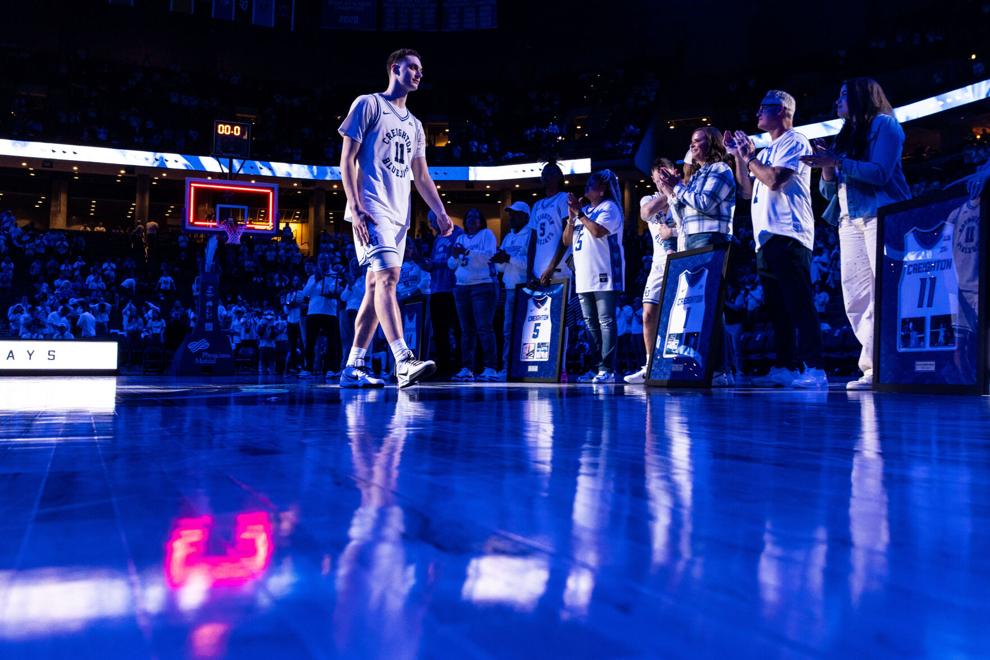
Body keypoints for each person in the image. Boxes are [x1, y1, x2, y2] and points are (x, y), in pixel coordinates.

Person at [338, 48, 453, 389]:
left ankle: (353, 367)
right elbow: (346, 160)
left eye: (421, 69)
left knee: (375, 287)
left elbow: (421, 174)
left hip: (399, 215)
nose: (419, 74)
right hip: (371, 209)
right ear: (394, 68)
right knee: (387, 280)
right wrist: (355, 206)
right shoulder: (368, 104)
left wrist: (440, 210)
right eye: (413, 67)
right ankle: (403, 359)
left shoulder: (416, 125)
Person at [801, 78, 911, 390]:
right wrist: (826, 167)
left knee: (884, 291)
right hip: (848, 220)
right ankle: (874, 368)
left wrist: (837, 161)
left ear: (863, 97)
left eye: (844, 94)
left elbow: (879, 173)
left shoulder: (886, 125)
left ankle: (892, 364)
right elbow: (827, 191)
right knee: (856, 296)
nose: (837, 100)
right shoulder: (845, 134)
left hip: (881, 214)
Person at [725, 90, 827, 388]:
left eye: (763, 108)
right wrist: (738, 158)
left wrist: (749, 156)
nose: (757, 113)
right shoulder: (766, 149)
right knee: (778, 308)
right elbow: (746, 190)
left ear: (782, 111)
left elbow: (773, 180)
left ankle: (814, 365)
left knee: (799, 303)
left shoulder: (794, 140)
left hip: (788, 232)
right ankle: (786, 364)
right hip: (766, 237)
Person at [657, 127, 735, 385]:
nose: (693, 145)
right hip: (690, 241)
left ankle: (722, 370)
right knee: (696, 308)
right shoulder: (698, 175)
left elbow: (704, 204)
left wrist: (678, 186)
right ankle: (702, 367)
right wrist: (670, 192)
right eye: (691, 141)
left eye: (698, 140)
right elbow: (681, 215)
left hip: (711, 239)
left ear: (712, 144)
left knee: (711, 307)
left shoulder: (721, 170)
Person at [565, 169, 626, 383]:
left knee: (606, 321)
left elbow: (599, 232)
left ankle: (607, 369)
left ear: (601, 190)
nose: (586, 188)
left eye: (591, 185)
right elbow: (566, 241)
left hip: (604, 271)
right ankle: (596, 368)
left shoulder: (610, 208)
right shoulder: (585, 210)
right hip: (583, 276)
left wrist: (580, 214)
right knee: (590, 324)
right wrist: (572, 219)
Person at [625, 157, 678, 384]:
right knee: (648, 314)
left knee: (678, 316)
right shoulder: (650, 197)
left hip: (681, 259)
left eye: (664, 177)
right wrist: (669, 191)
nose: (660, 182)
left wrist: (676, 190)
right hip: (658, 263)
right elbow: (646, 212)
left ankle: (684, 364)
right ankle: (649, 364)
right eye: (657, 179)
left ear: (673, 172)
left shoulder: (685, 193)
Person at [449, 208, 499, 382]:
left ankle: (490, 368)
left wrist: (467, 252)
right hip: (461, 287)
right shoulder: (460, 238)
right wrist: (454, 256)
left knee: (484, 328)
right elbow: (451, 264)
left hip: (482, 286)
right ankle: (467, 368)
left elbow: (490, 255)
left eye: (476, 217)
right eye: (469, 217)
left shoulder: (487, 234)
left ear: (481, 220)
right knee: (466, 330)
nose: (472, 219)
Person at [491, 201, 536, 377]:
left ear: (525, 216)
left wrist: (508, 258)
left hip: (524, 288)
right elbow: (502, 269)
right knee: (508, 330)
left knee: (524, 331)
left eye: (516, 214)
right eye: (511, 214)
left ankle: (523, 367)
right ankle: (506, 368)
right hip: (509, 287)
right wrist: (500, 260)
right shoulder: (508, 237)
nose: (512, 217)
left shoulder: (530, 235)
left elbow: (529, 265)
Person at [424, 210, 463, 378]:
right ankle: (444, 367)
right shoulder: (438, 238)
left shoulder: (458, 233)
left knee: (456, 330)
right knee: (439, 332)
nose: (432, 226)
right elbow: (434, 262)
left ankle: (460, 366)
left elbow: (454, 260)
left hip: (453, 288)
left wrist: (436, 263)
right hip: (437, 289)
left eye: (434, 222)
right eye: (430, 223)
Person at [300, 252, 343, 379]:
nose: (323, 262)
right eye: (321, 259)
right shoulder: (313, 277)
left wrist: (333, 292)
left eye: (325, 259)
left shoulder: (335, 276)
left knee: (332, 341)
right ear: (318, 262)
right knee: (310, 341)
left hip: (330, 312)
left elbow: (338, 291)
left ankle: (330, 369)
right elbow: (305, 293)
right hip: (313, 312)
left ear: (329, 261)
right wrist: (316, 280)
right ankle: (307, 368)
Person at [533, 161, 573, 284]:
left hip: (559, 270)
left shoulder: (564, 198)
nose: (546, 175)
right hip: (537, 272)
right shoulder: (537, 205)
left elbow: (566, 237)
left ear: (559, 177)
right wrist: (530, 271)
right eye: (544, 172)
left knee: (559, 304)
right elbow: (532, 240)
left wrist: (551, 267)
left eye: (551, 172)